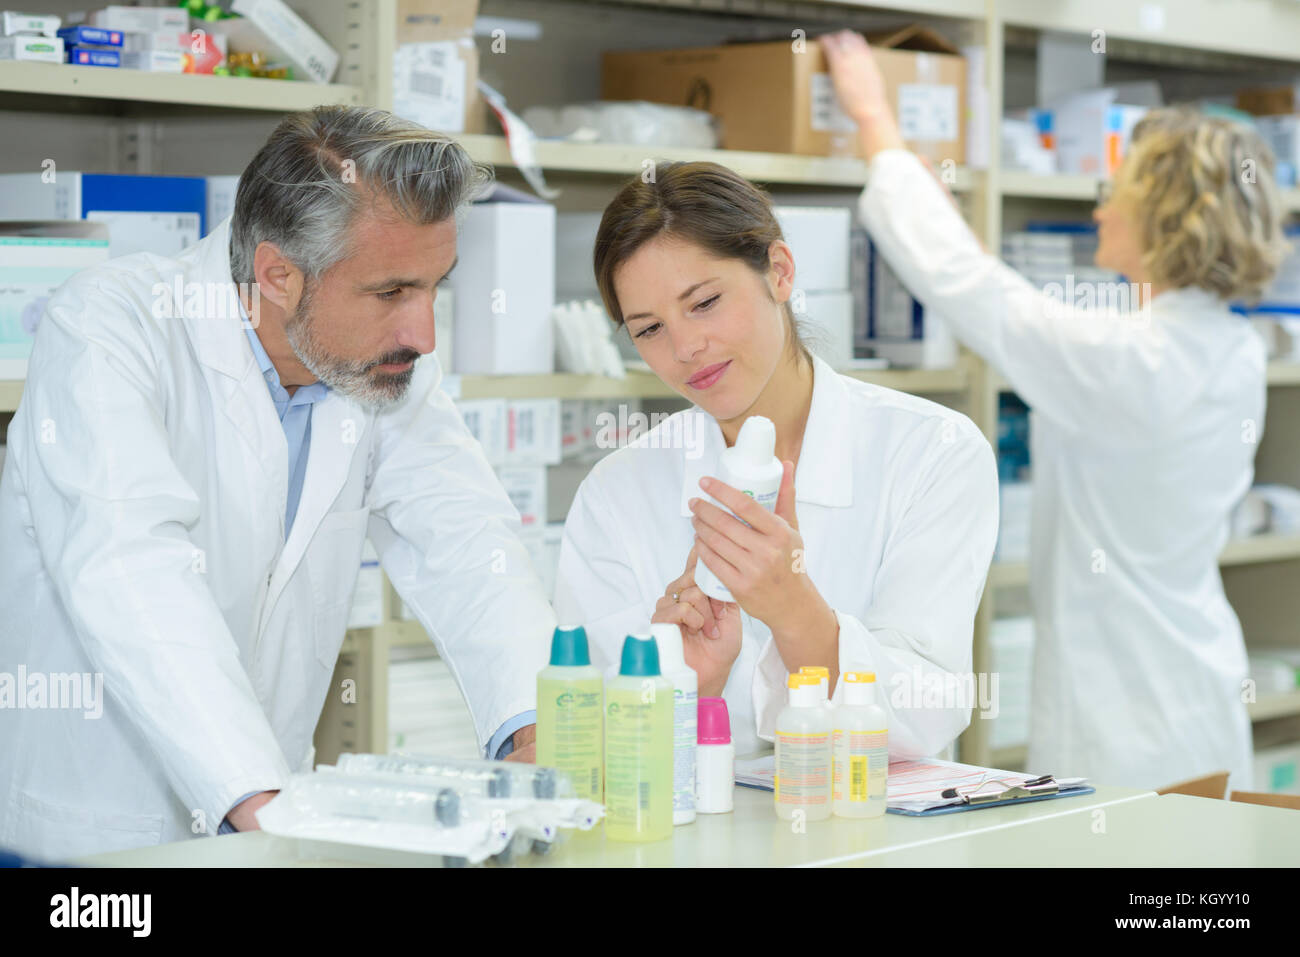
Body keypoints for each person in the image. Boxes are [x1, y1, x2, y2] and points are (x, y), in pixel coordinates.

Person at [0, 106, 552, 860]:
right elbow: (131, 570)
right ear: (278, 274)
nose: (423, 334)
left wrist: (535, 730)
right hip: (92, 836)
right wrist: (267, 805)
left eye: (435, 287)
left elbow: (468, 542)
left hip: (267, 827)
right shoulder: (110, 329)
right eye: (391, 292)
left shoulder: (380, 368)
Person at [820, 29, 1289, 790]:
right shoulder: (1225, 348)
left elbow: (966, 283)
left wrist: (876, 120)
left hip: (1128, 718)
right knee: (1202, 902)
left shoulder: (1127, 362)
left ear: (1167, 217)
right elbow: (1004, 299)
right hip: (1193, 685)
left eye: (1123, 188)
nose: (1104, 207)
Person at [553, 160, 999, 758]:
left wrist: (795, 613)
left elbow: (929, 710)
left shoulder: (931, 451)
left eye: (705, 302)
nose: (686, 347)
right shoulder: (619, 490)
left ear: (779, 271)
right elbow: (587, 753)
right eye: (649, 328)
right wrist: (689, 687)